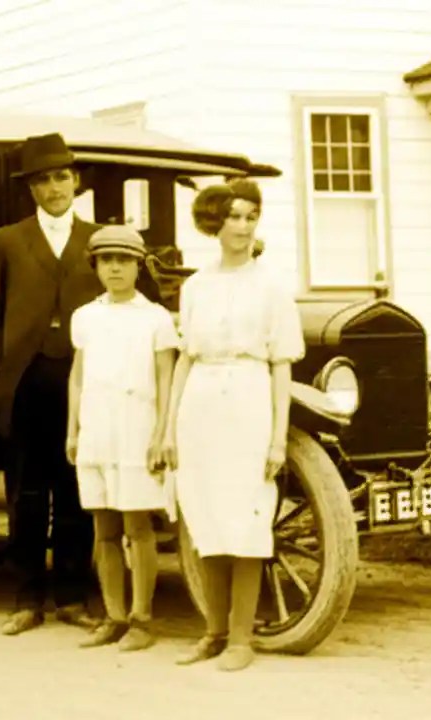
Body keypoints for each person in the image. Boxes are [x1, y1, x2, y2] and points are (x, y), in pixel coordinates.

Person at [163, 178, 305, 672]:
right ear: (214, 223)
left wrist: (277, 438)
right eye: (233, 216)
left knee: (246, 521)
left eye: (250, 216)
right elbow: (184, 358)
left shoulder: (270, 288)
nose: (242, 226)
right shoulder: (197, 286)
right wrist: (167, 428)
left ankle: (241, 638)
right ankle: (213, 631)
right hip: (200, 403)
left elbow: (281, 364)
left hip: (248, 398)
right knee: (206, 518)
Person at [0, 132, 104, 635]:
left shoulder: (99, 241)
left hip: (84, 381)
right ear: (31, 188)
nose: (54, 187)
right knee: (26, 492)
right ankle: (26, 598)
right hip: (25, 382)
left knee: (75, 489)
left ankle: (72, 598)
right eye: (43, 179)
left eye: (61, 176)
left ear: (76, 181)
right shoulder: (6, 240)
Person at [66, 225, 179, 651]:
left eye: (124, 260)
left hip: (137, 429)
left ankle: (142, 619)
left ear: (138, 266)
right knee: (104, 528)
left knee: (137, 527)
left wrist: (161, 431)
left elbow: (167, 378)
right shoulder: (86, 316)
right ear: (95, 266)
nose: (115, 268)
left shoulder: (154, 319)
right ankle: (113, 615)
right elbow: (77, 377)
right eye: (107, 261)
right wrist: (72, 430)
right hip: (98, 429)